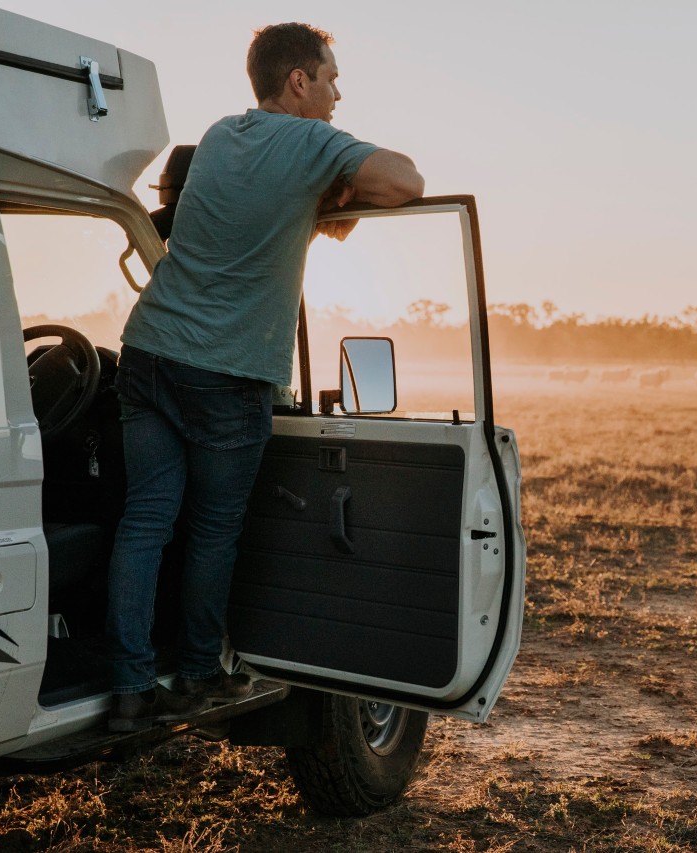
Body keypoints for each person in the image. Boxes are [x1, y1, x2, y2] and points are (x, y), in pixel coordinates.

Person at [105, 22, 425, 732]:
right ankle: (194, 676)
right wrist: (339, 187)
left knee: (146, 520)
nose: (339, 93)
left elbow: (254, 218)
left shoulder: (220, 136)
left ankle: (128, 687)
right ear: (298, 82)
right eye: (331, 78)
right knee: (214, 531)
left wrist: (316, 207)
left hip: (149, 349)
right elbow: (408, 180)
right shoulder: (313, 143)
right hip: (227, 373)